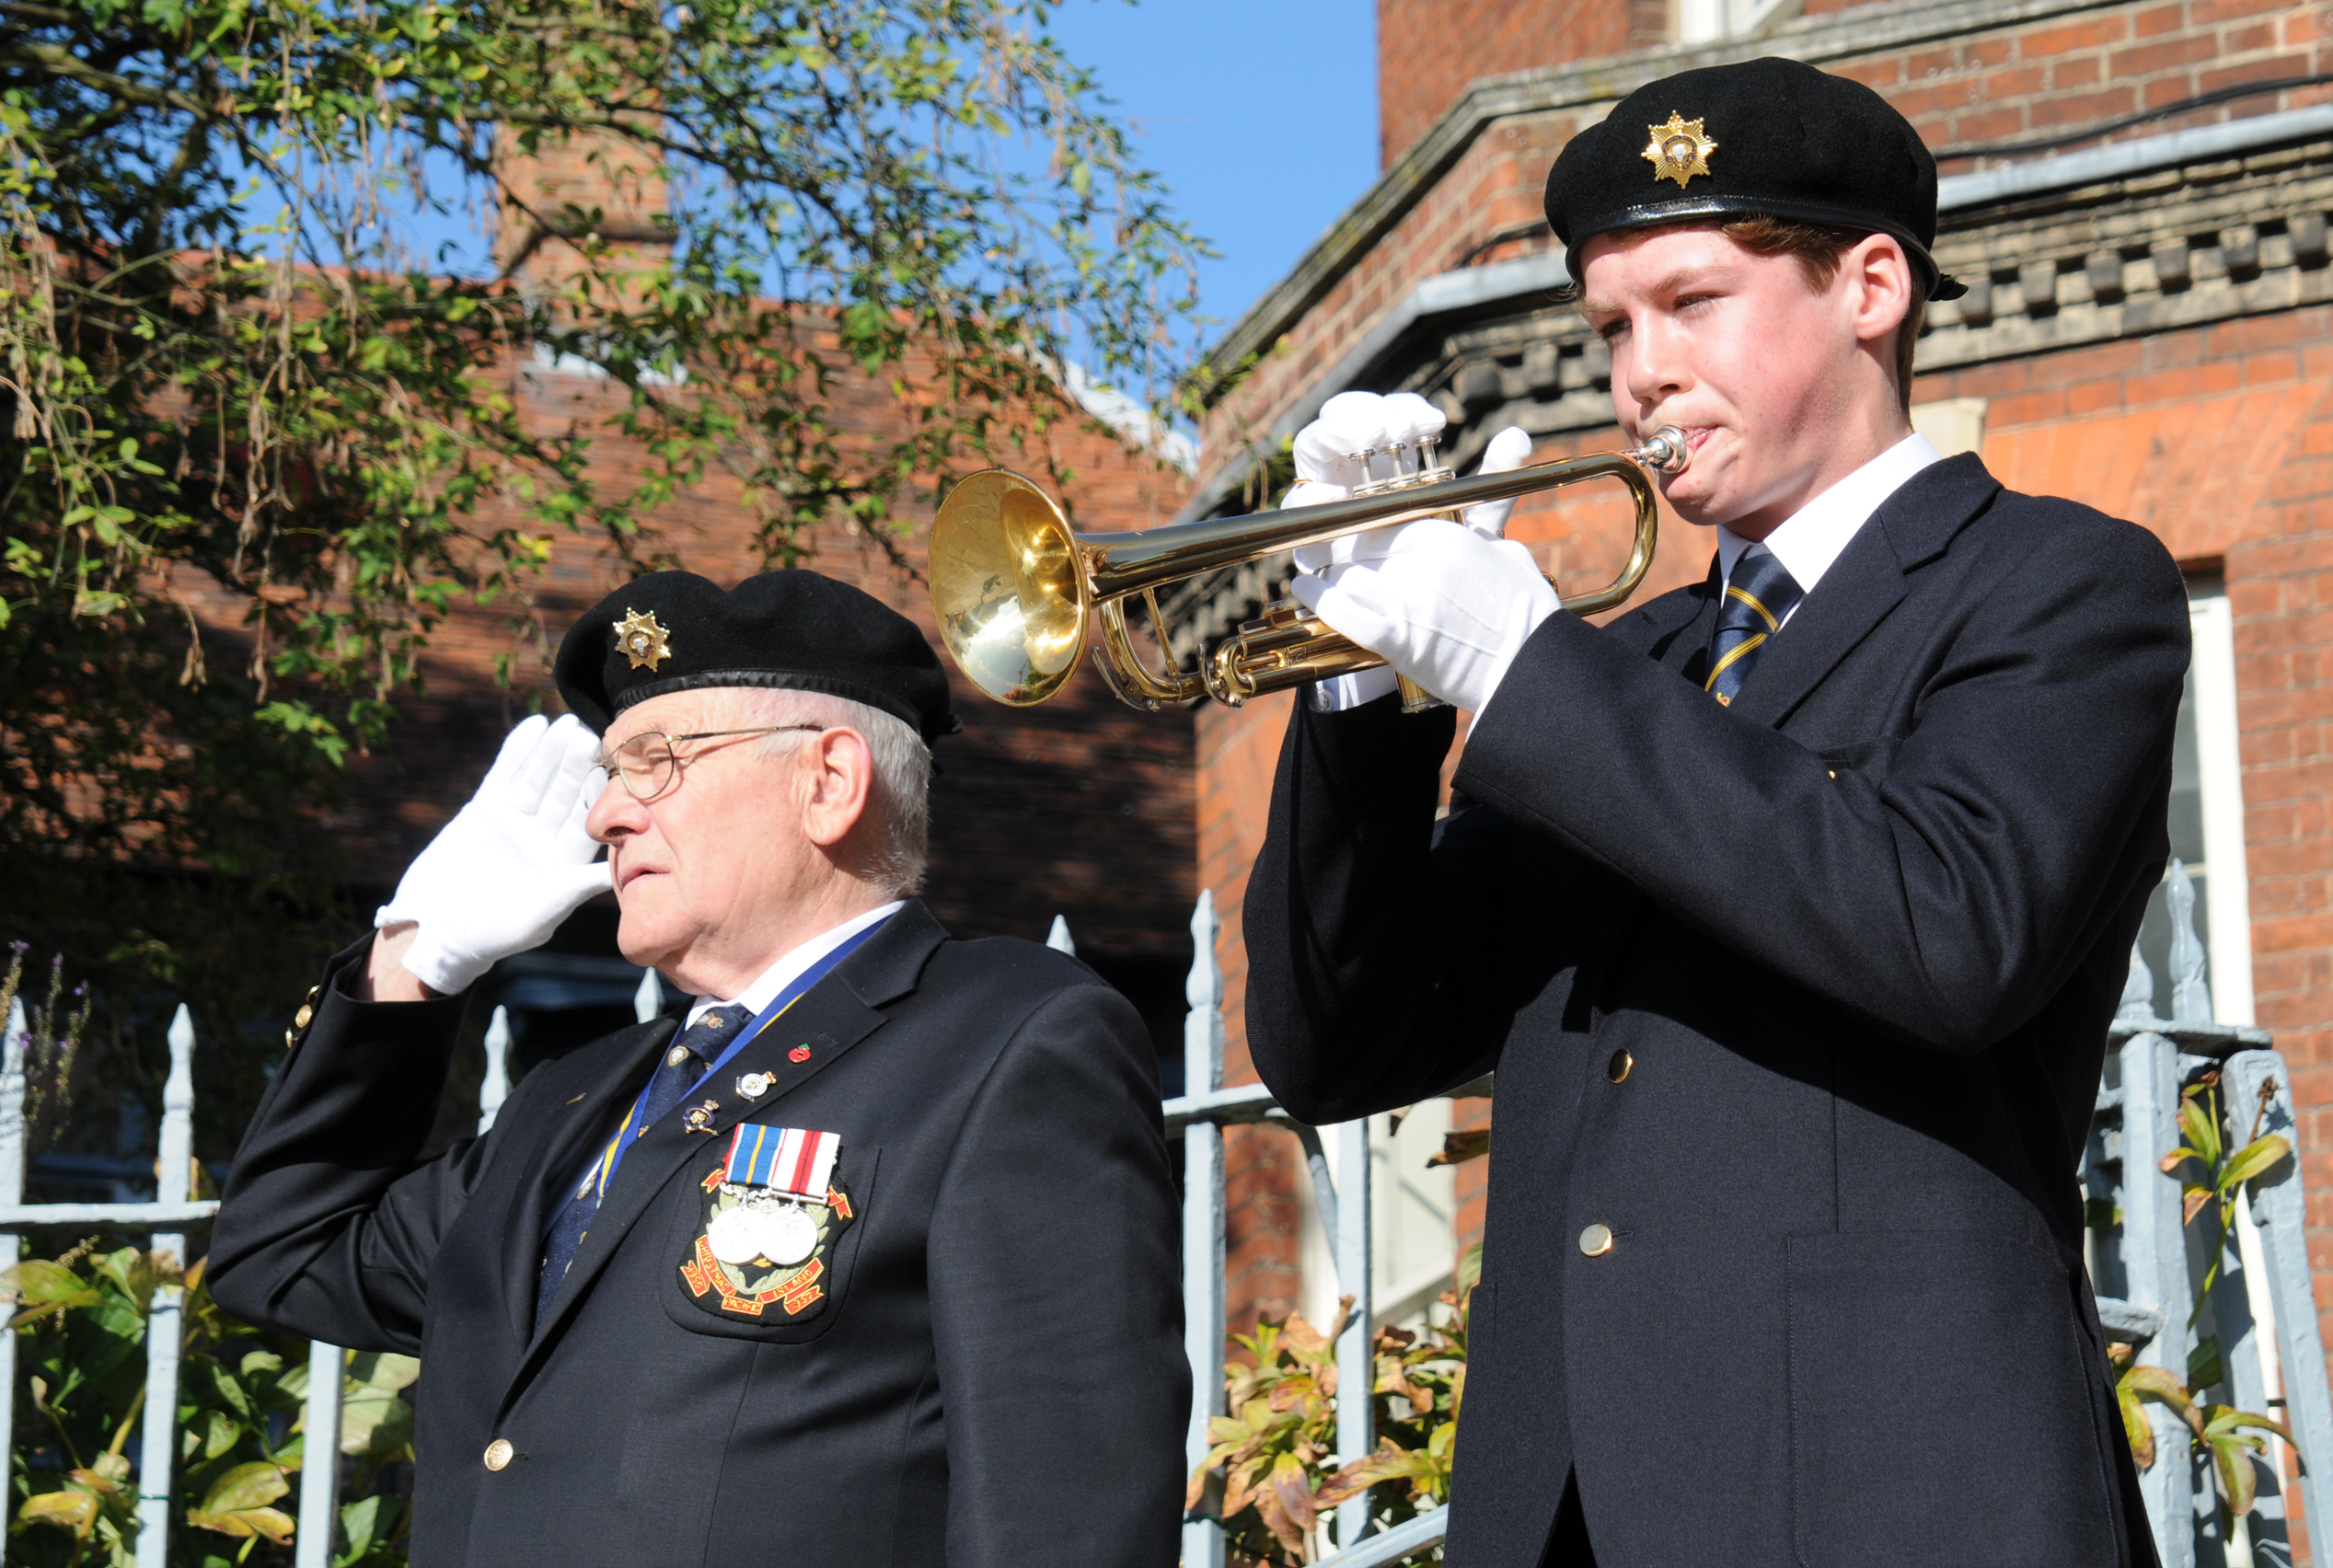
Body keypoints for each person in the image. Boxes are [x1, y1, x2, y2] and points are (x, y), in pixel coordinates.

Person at [1243, 58, 2187, 1568]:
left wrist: (1516, 661)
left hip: (1905, 1499)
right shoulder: (1622, 672)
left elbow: (1951, 930)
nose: (1639, 372)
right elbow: (1337, 1042)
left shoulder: (2061, 585)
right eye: (1613, 324)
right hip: (1569, 1509)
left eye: (1692, 302)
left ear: (1870, 284)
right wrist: (1367, 695)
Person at [210, 569, 1187, 1568]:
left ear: (829, 782)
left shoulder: (1002, 1042)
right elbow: (281, 1251)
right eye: (607, 772)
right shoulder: (575, 1100)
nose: (604, 817)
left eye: (654, 762)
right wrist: (414, 958)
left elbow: (1066, 1514)